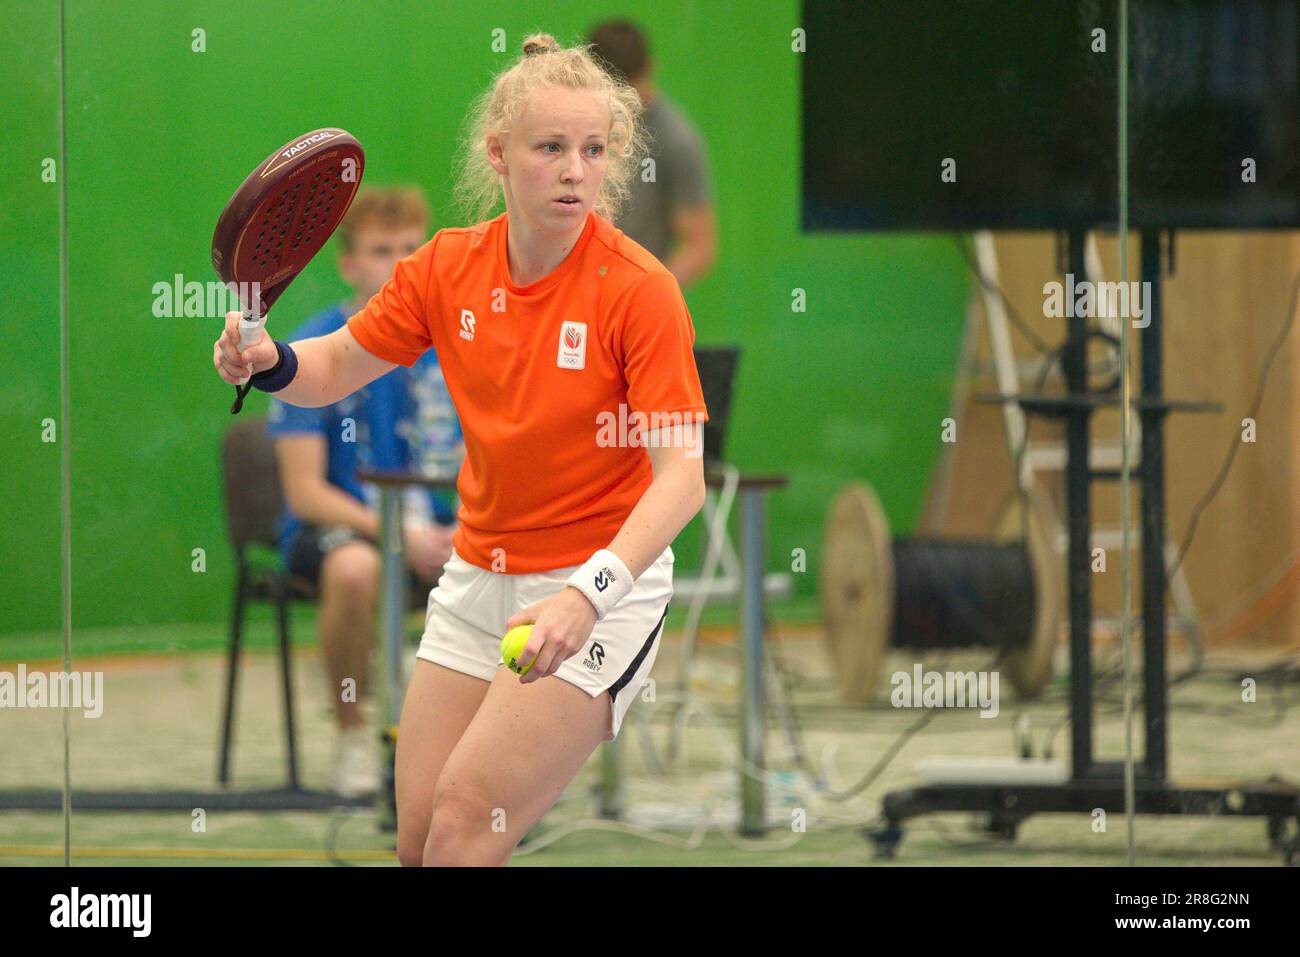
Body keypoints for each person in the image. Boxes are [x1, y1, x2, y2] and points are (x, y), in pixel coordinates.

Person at [213, 33, 708, 866]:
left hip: (599, 588)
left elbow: (683, 479)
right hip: (480, 575)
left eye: (593, 149)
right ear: (500, 153)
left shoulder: (641, 291)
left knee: (465, 821)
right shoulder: (445, 267)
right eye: (550, 147)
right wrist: (270, 363)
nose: (574, 170)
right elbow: (333, 364)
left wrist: (584, 596)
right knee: (419, 842)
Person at [265, 187, 464, 797]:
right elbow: (304, 493)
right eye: (382, 250)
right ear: (348, 263)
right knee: (355, 569)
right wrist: (394, 534)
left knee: (517, 558)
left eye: (412, 248)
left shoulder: (460, 342)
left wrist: (474, 528)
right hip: (345, 529)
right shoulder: (310, 348)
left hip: (448, 528)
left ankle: (482, 756)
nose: (400, 264)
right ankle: (355, 733)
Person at [588, 19, 717, 290]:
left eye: (629, 91)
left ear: (650, 69)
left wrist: (646, 295)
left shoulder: (676, 140)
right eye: (612, 92)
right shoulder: (574, 129)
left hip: (632, 298)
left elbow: (699, 246)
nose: (623, 104)